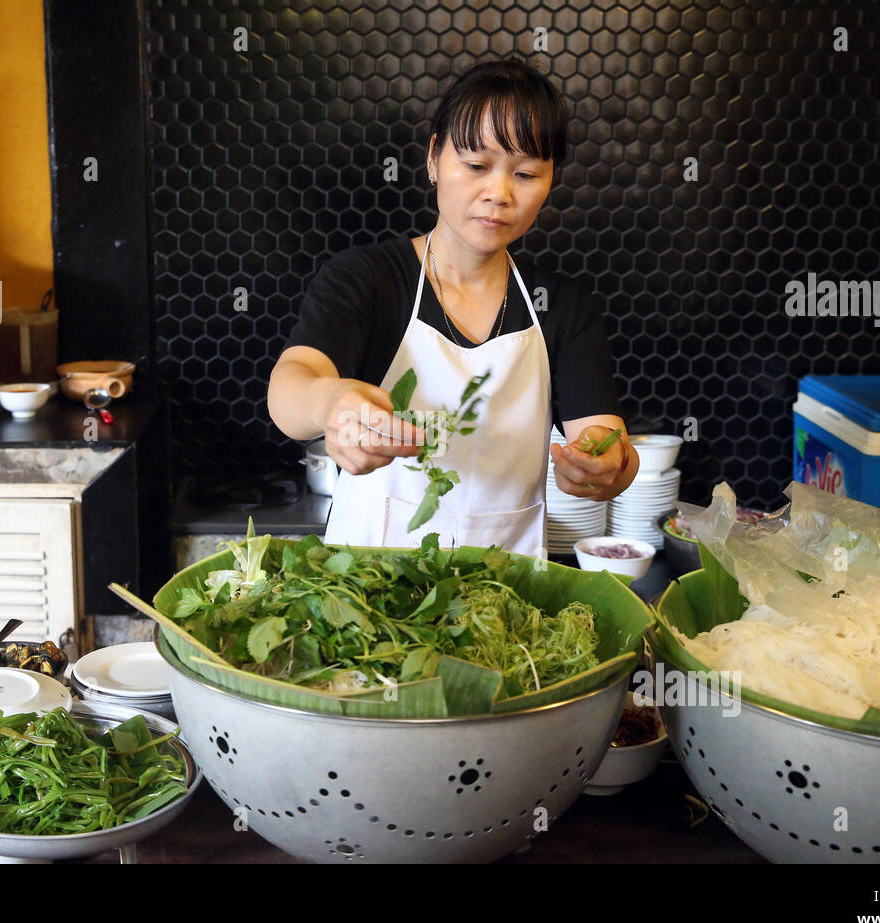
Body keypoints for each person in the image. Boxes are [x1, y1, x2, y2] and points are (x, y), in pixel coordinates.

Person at [268, 59, 638, 557]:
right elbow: (293, 383)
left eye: (526, 173)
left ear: (550, 181)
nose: (499, 194)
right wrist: (329, 404)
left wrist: (608, 466)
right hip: (365, 589)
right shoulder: (370, 278)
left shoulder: (562, 306)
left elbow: (605, 438)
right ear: (434, 159)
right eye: (476, 165)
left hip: (505, 598)